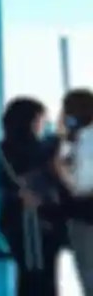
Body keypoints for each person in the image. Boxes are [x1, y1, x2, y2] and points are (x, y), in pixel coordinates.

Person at [0, 96, 64, 296]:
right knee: (42, 277)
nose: (43, 124)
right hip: (37, 223)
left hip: (13, 220)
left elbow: (3, 184)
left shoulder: (4, 149)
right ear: (31, 120)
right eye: (41, 119)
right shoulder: (40, 149)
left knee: (28, 276)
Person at [61, 88, 93, 294]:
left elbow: (81, 186)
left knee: (88, 270)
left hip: (86, 216)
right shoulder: (77, 139)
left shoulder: (87, 141)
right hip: (82, 214)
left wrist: (60, 169)